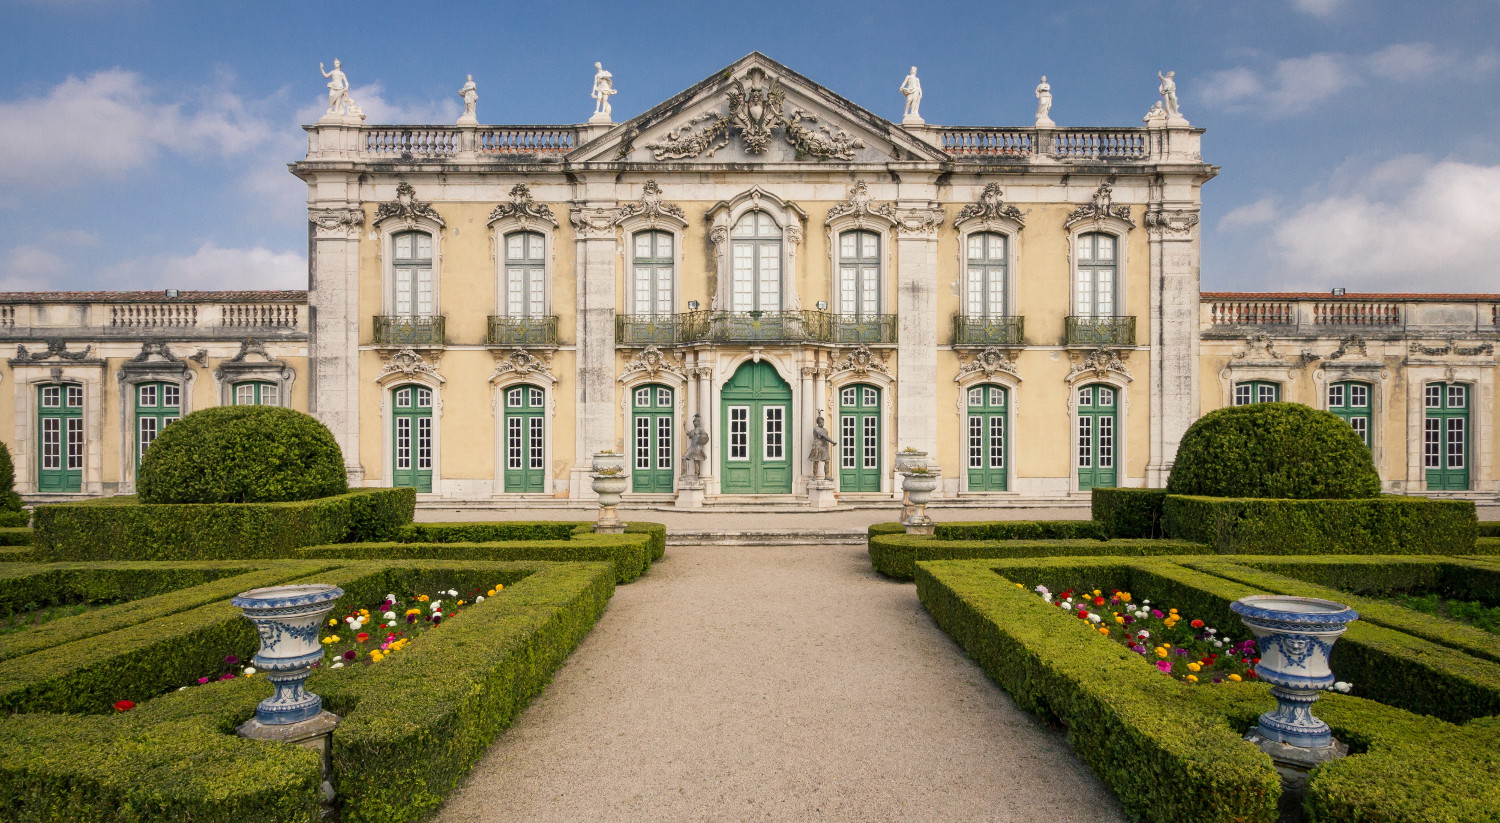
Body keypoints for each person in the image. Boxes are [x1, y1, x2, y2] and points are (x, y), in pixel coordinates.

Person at [809, 415, 837, 481]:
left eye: (823, 422)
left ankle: (826, 475)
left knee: (827, 461)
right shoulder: (816, 429)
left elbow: (825, 438)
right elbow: (823, 436)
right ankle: (814, 475)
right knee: (816, 461)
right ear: (818, 423)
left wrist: (827, 446)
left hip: (824, 446)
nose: (822, 423)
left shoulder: (825, 430)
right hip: (817, 446)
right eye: (820, 422)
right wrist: (832, 442)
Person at [683, 414, 709, 479]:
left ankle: (696, 474)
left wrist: (701, 442)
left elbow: (705, 436)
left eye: (696, 421)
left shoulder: (700, 429)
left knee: (696, 460)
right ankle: (685, 472)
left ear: (699, 422)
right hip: (692, 447)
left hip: (697, 447)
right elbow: (687, 433)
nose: (695, 423)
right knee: (683, 457)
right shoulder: (692, 431)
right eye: (694, 421)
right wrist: (684, 427)